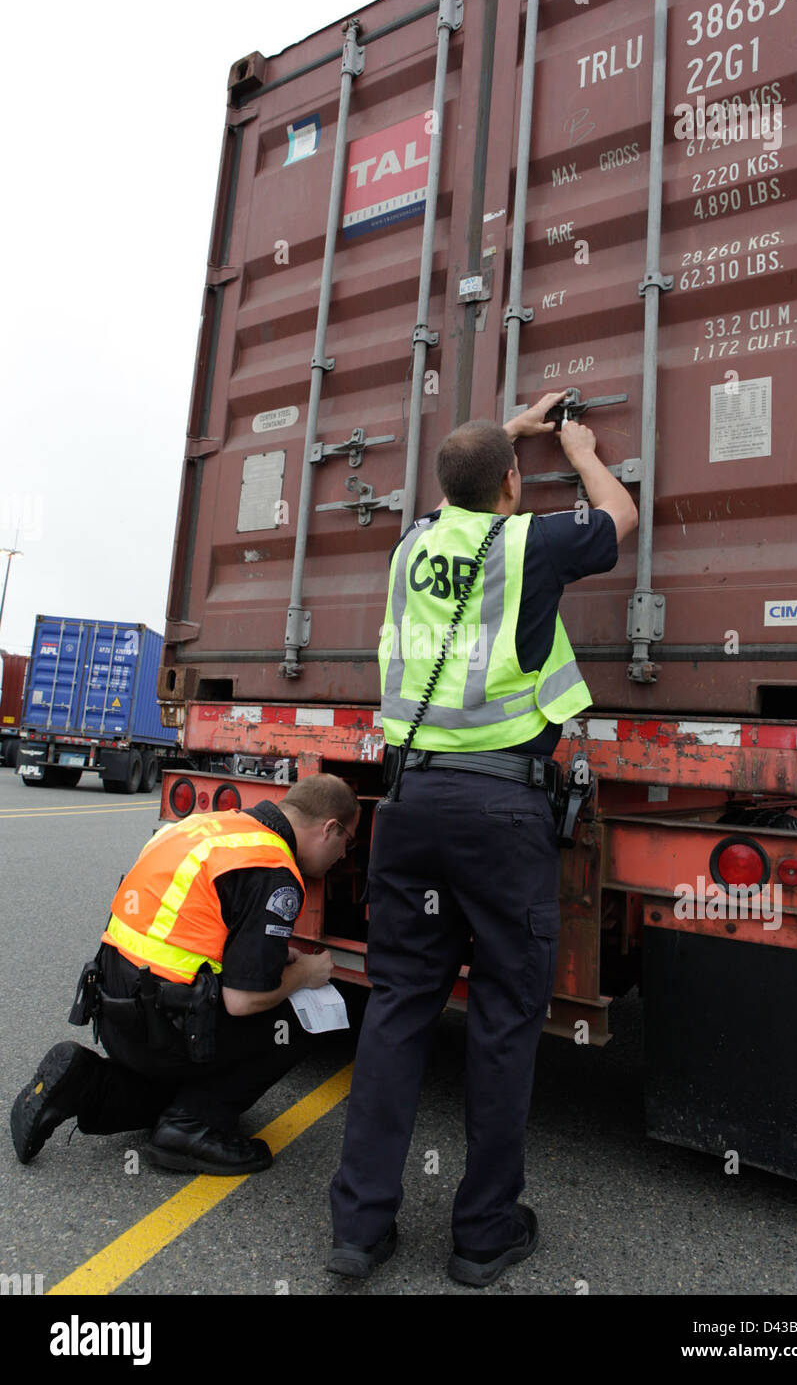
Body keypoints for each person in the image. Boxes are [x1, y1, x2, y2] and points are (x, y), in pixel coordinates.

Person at [328, 392, 639, 1286]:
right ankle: (482, 1236)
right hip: (503, 815)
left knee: (395, 1011)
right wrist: (575, 446)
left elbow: (451, 484)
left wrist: (506, 430)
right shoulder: (528, 541)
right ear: (513, 484)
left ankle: (358, 1231)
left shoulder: (409, 547)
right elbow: (619, 517)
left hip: (411, 807)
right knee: (503, 1023)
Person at [10, 774, 360, 1175]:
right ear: (329, 827)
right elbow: (242, 1001)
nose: (343, 857)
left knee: (173, 1089)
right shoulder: (274, 869)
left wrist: (274, 957)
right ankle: (192, 1126)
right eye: (346, 843)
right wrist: (305, 974)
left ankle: (87, 1083)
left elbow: (192, 930)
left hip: (111, 1012)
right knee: (301, 1016)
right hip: (162, 1028)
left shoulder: (208, 827)